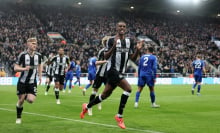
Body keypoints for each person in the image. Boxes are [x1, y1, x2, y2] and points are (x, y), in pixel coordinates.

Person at [80, 21, 143, 129]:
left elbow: (132, 58)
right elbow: (105, 56)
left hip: (121, 71)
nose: (122, 28)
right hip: (112, 70)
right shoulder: (110, 40)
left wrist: (137, 50)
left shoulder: (129, 41)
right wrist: (114, 46)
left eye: (124, 26)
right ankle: (119, 116)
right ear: (116, 28)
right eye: (120, 26)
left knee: (104, 95)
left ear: (126, 28)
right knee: (128, 89)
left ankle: (87, 106)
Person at [14, 37, 42, 124]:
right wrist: (23, 69)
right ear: (28, 44)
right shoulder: (22, 55)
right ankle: (18, 117)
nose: (35, 45)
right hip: (22, 82)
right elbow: (15, 68)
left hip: (32, 82)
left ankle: (25, 95)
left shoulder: (38, 55)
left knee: (31, 100)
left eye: (36, 43)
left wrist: (40, 76)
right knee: (21, 100)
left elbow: (40, 65)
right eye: (33, 43)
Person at [87, 36, 110, 116]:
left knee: (107, 92)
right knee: (94, 91)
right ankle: (90, 107)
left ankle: (98, 101)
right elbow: (96, 63)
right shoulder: (102, 51)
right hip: (100, 74)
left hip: (108, 75)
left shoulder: (114, 51)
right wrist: (105, 61)